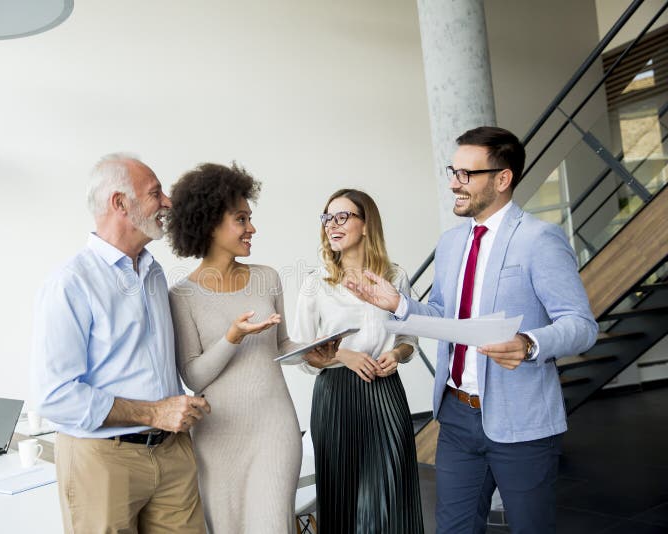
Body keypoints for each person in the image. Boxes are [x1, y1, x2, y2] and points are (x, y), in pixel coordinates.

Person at [347, 126, 598, 534]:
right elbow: (447, 316)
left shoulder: (540, 239)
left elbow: (581, 325)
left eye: (466, 174)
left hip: (522, 419)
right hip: (458, 415)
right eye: (453, 171)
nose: (453, 183)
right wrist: (399, 305)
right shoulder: (450, 243)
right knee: (453, 529)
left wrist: (530, 343)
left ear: (502, 178)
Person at [30, 153, 210, 534]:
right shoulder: (70, 284)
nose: (168, 203)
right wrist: (153, 414)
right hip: (103, 460)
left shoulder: (154, 273)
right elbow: (55, 395)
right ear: (120, 203)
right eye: (155, 193)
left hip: (173, 453)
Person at [166, 162, 334, 534]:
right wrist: (232, 337)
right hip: (217, 435)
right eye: (241, 219)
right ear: (209, 223)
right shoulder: (182, 296)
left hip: (274, 427)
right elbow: (193, 375)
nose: (251, 228)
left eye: (250, 218)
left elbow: (282, 343)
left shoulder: (267, 277)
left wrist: (313, 353)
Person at [293, 188, 425, 533]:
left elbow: (409, 339)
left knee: (391, 495)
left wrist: (396, 354)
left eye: (342, 217)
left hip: (386, 393)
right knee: (343, 496)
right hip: (335, 397)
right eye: (327, 218)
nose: (331, 225)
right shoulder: (315, 284)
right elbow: (301, 352)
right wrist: (342, 355)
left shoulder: (395, 277)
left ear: (366, 225)